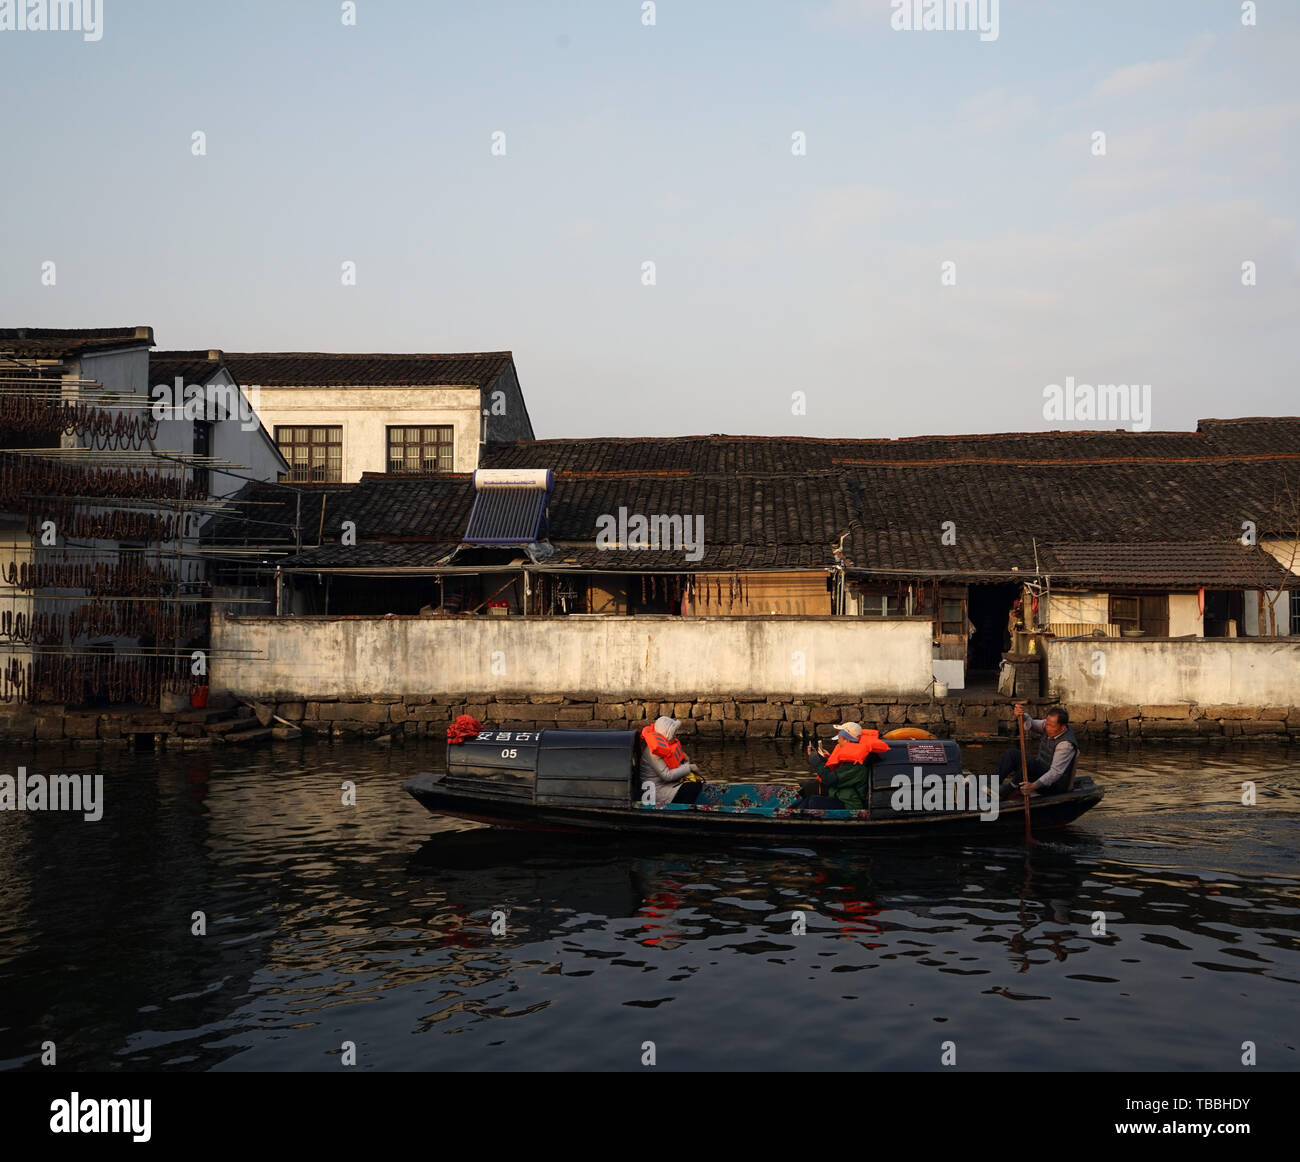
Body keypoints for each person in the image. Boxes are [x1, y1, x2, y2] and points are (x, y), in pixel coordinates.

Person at [801, 721, 890, 810]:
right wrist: (822, 759)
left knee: (812, 801)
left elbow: (829, 779)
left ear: (847, 740)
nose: (838, 741)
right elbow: (836, 772)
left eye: (839, 738)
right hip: (840, 795)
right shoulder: (850, 760)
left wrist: (815, 760)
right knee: (806, 789)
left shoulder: (857, 765)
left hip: (850, 805)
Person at [997, 703, 1079, 800]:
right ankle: (993, 783)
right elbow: (1031, 723)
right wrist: (1022, 715)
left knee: (1031, 764)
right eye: (1047, 724)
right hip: (1039, 771)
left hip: (1054, 784)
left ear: (1062, 727)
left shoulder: (1066, 744)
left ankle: (1009, 789)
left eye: (1051, 726)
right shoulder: (1047, 725)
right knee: (1012, 754)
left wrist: (1033, 786)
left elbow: (1055, 773)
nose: (1047, 728)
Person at [639, 716, 703, 805]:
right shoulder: (653, 752)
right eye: (674, 732)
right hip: (656, 791)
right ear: (666, 733)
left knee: (696, 783)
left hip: (665, 785)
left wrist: (685, 762)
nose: (675, 735)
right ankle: (683, 811)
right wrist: (689, 768)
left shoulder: (664, 745)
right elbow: (667, 775)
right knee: (692, 787)